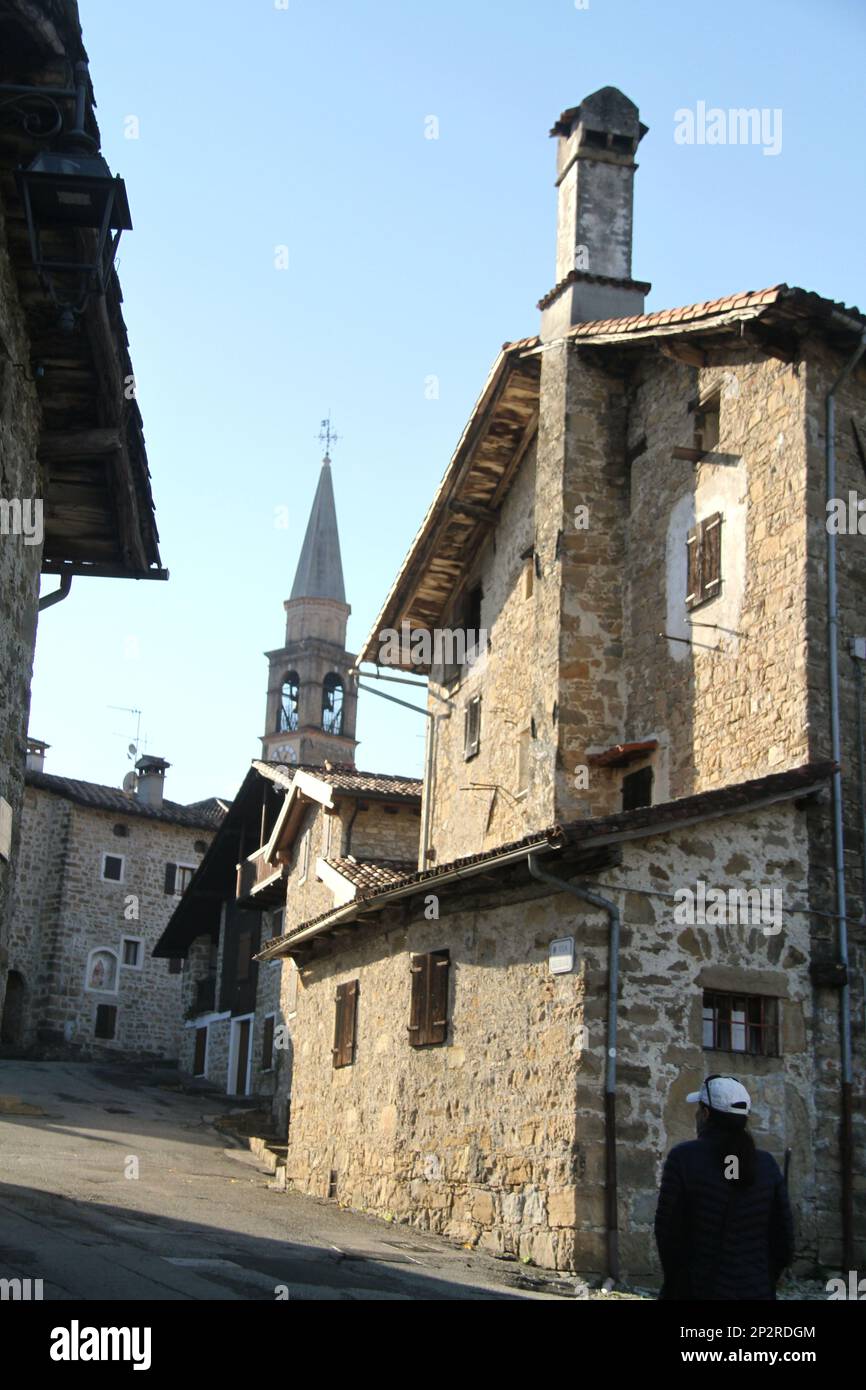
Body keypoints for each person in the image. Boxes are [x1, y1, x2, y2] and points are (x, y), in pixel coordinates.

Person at [654, 1074, 794, 1300]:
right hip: (754, 1291)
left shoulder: (684, 1158)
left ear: (706, 1114)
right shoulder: (766, 1165)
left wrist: (677, 1282)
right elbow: (783, 1239)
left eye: (699, 1110)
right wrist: (763, 1280)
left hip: (695, 1290)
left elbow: (667, 1232)